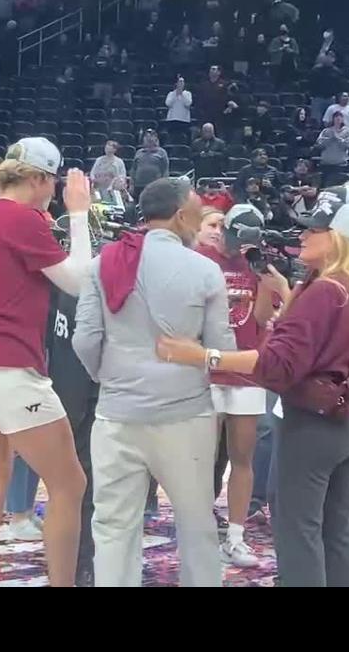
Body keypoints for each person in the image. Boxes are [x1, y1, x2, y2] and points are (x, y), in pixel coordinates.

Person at [159, 185, 349, 588]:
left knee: (298, 529)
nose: (302, 235)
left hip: (317, 423)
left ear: (337, 238)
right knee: (337, 527)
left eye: (314, 229)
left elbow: (275, 365)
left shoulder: (326, 290)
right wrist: (290, 301)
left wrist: (203, 355)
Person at [70, 179, 233, 587]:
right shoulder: (205, 269)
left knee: (113, 525)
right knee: (196, 523)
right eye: (196, 212)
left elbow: (85, 340)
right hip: (185, 413)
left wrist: (109, 377)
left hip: (117, 413)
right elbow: (221, 347)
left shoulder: (104, 262)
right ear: (180, 216)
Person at [0, 138, 91, 588]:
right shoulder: (20, 218)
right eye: (53, 183)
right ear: (38, 180)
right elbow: (78, 282)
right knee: (70, 485)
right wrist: (80, 214)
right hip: (8, 368)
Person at [195, 205, 291, 568]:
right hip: (205, 369)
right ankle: (199, 531)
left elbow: (263, 318)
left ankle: (235, 537)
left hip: (247, 370)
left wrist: (264, 278)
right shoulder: (201, 259)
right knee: (200, 458)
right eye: (232, 234)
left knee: (242, 457)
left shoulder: (260, 264)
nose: (238, 244)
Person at [316, 113, 349, 186]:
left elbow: (348, 145)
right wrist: (330, 139)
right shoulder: (326, 131)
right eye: (336, 118)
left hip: (340, 163)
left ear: (342, 119)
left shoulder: (346, 132)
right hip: (326, 163)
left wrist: (338, 138)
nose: (338, 119)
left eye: (340, 118)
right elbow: (319, 144)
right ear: (333, 119)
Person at [132, 129, 169, 195]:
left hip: (155, 185)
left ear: (156, 139)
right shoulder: (139, 152)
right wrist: (131, 184)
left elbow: (165, 170)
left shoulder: (162, 152)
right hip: (139, 185)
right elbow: (134, 169)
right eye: (146, 136)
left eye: (151, 136)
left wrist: (163, 185)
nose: (149, 138)